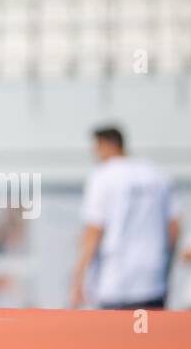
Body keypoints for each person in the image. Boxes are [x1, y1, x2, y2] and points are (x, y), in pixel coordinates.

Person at [70, 126, 180, 310]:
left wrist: (79, 278)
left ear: (108, 145)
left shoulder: (103, 176)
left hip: (115, 280)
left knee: (114, 337)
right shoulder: (157, 174)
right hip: (152, 279)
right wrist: (166, 268)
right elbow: (174, 227)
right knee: (145, 336)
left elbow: (93, 230)